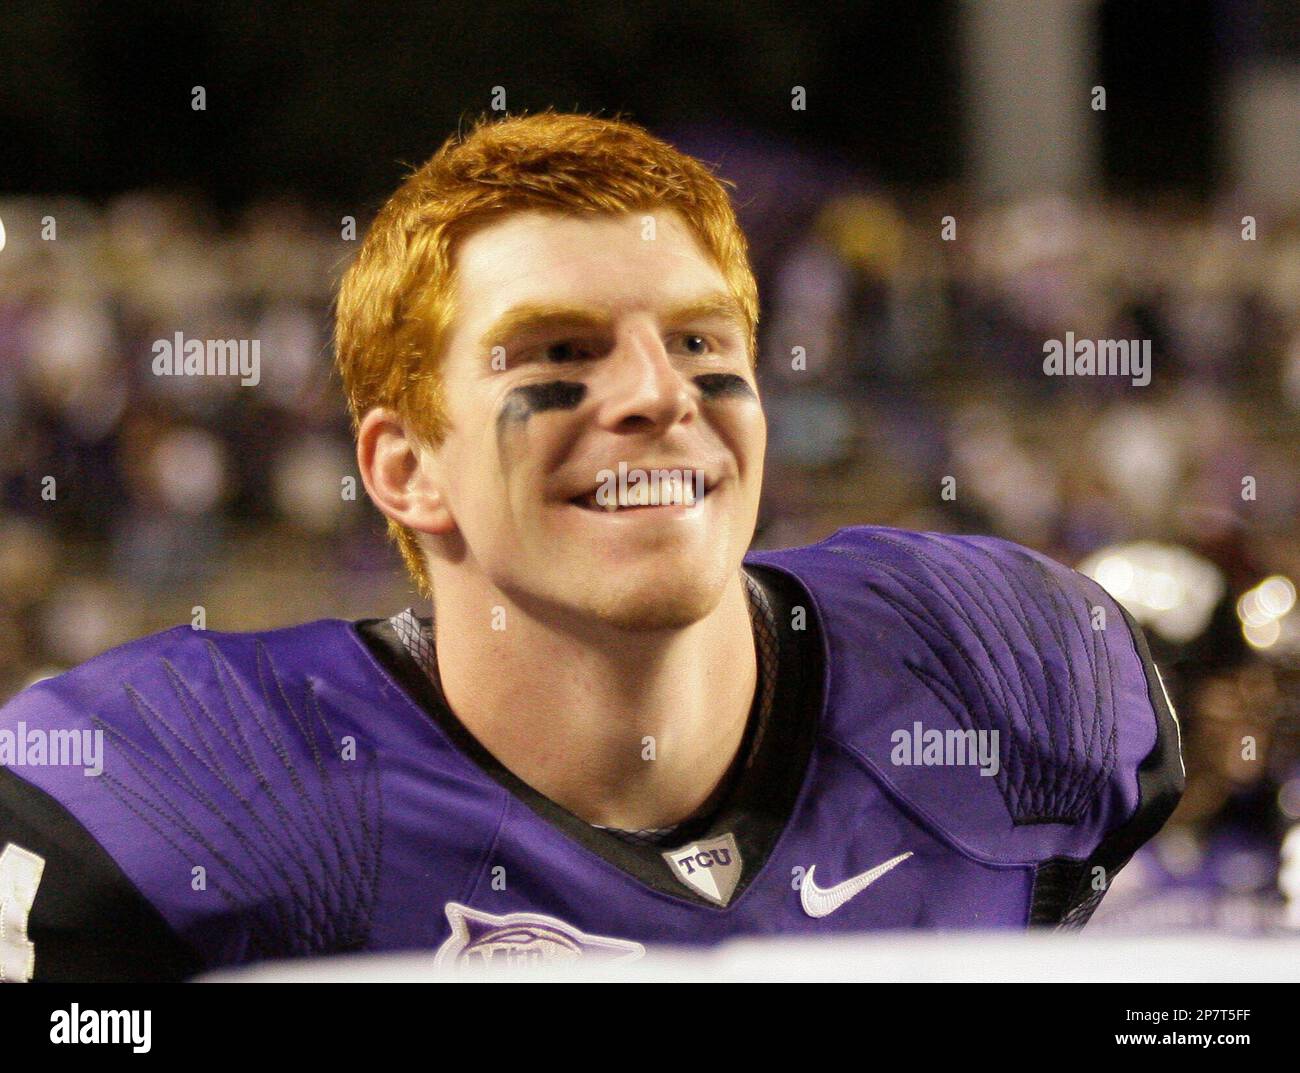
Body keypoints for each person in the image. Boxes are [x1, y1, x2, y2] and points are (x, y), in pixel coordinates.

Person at [0, 112, 1182, 980]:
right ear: (405, 467)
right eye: (557, 354)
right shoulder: (215, 789)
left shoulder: (1000, 668)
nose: (658, 394)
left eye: (698, 339)